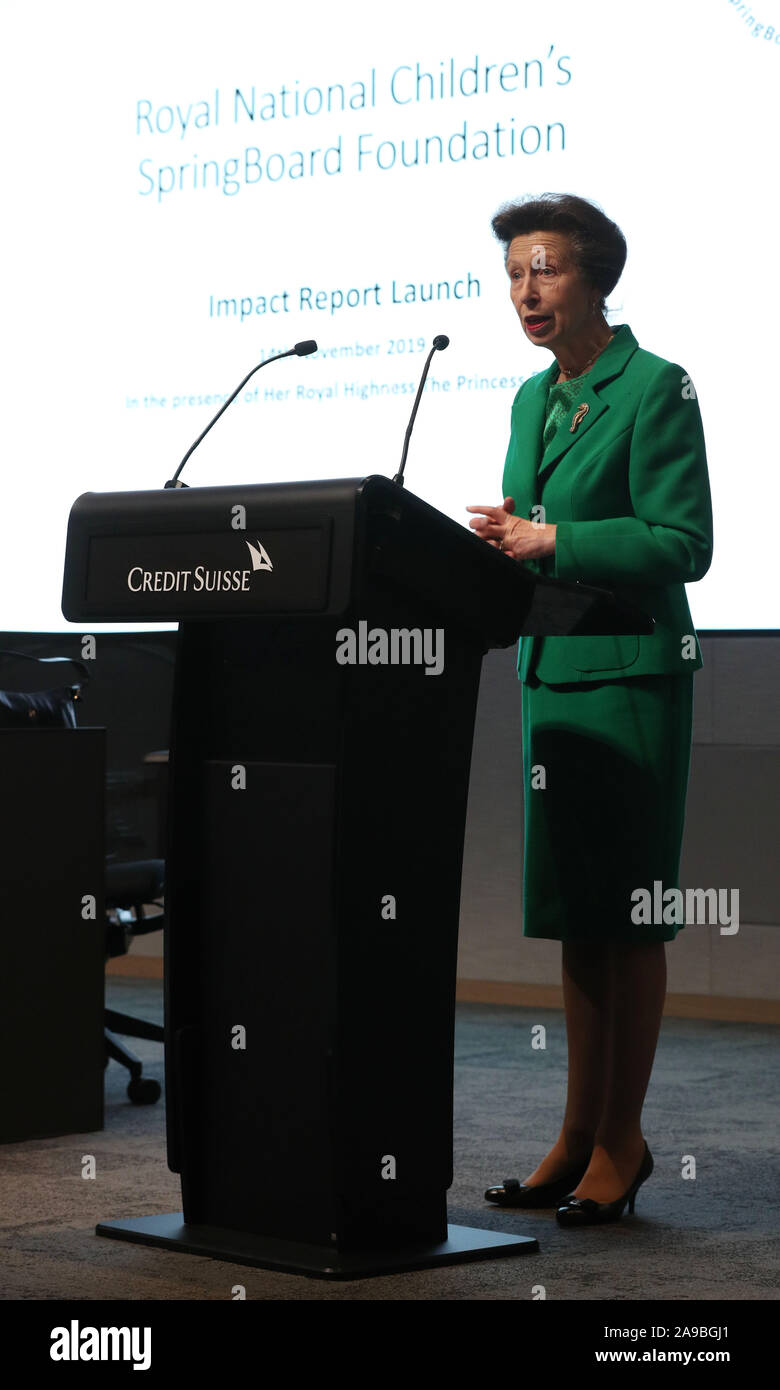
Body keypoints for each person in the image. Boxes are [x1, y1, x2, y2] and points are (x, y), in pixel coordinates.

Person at [466, 192, 713, 1226]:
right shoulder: (532, 398)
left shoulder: (655, 388)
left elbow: (680, 542)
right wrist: (502, 538)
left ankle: (625, 1139)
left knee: (628, 919)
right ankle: (575, 1134)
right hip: (553, 676)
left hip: (630, 679)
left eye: (547, 269)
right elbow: (532, 522)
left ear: (597, 279)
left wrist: (554, 542)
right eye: (516, 272)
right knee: (576, 923)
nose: (526, 290)